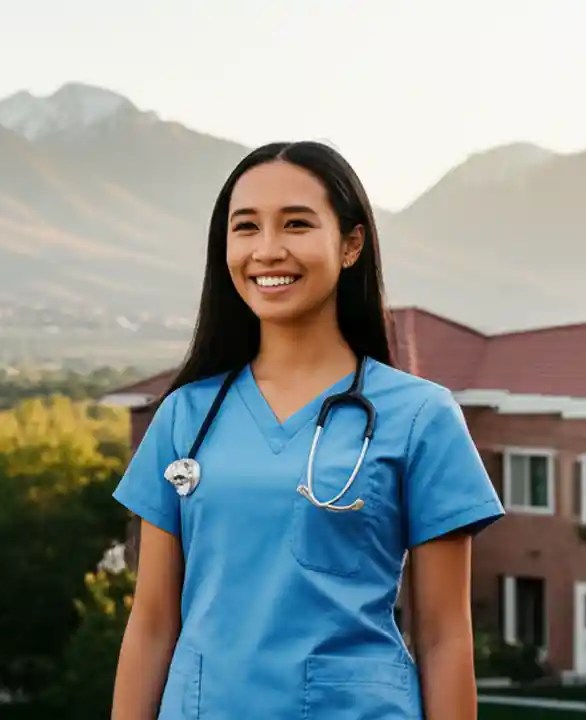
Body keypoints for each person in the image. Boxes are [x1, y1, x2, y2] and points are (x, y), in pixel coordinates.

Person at [110, 141, 504, 719]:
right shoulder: (184, 418)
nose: (267, 250)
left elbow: (445, 638)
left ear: (350, 244)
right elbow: (150, 627)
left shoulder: (420, 417)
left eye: (295, 224)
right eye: (246, 228)